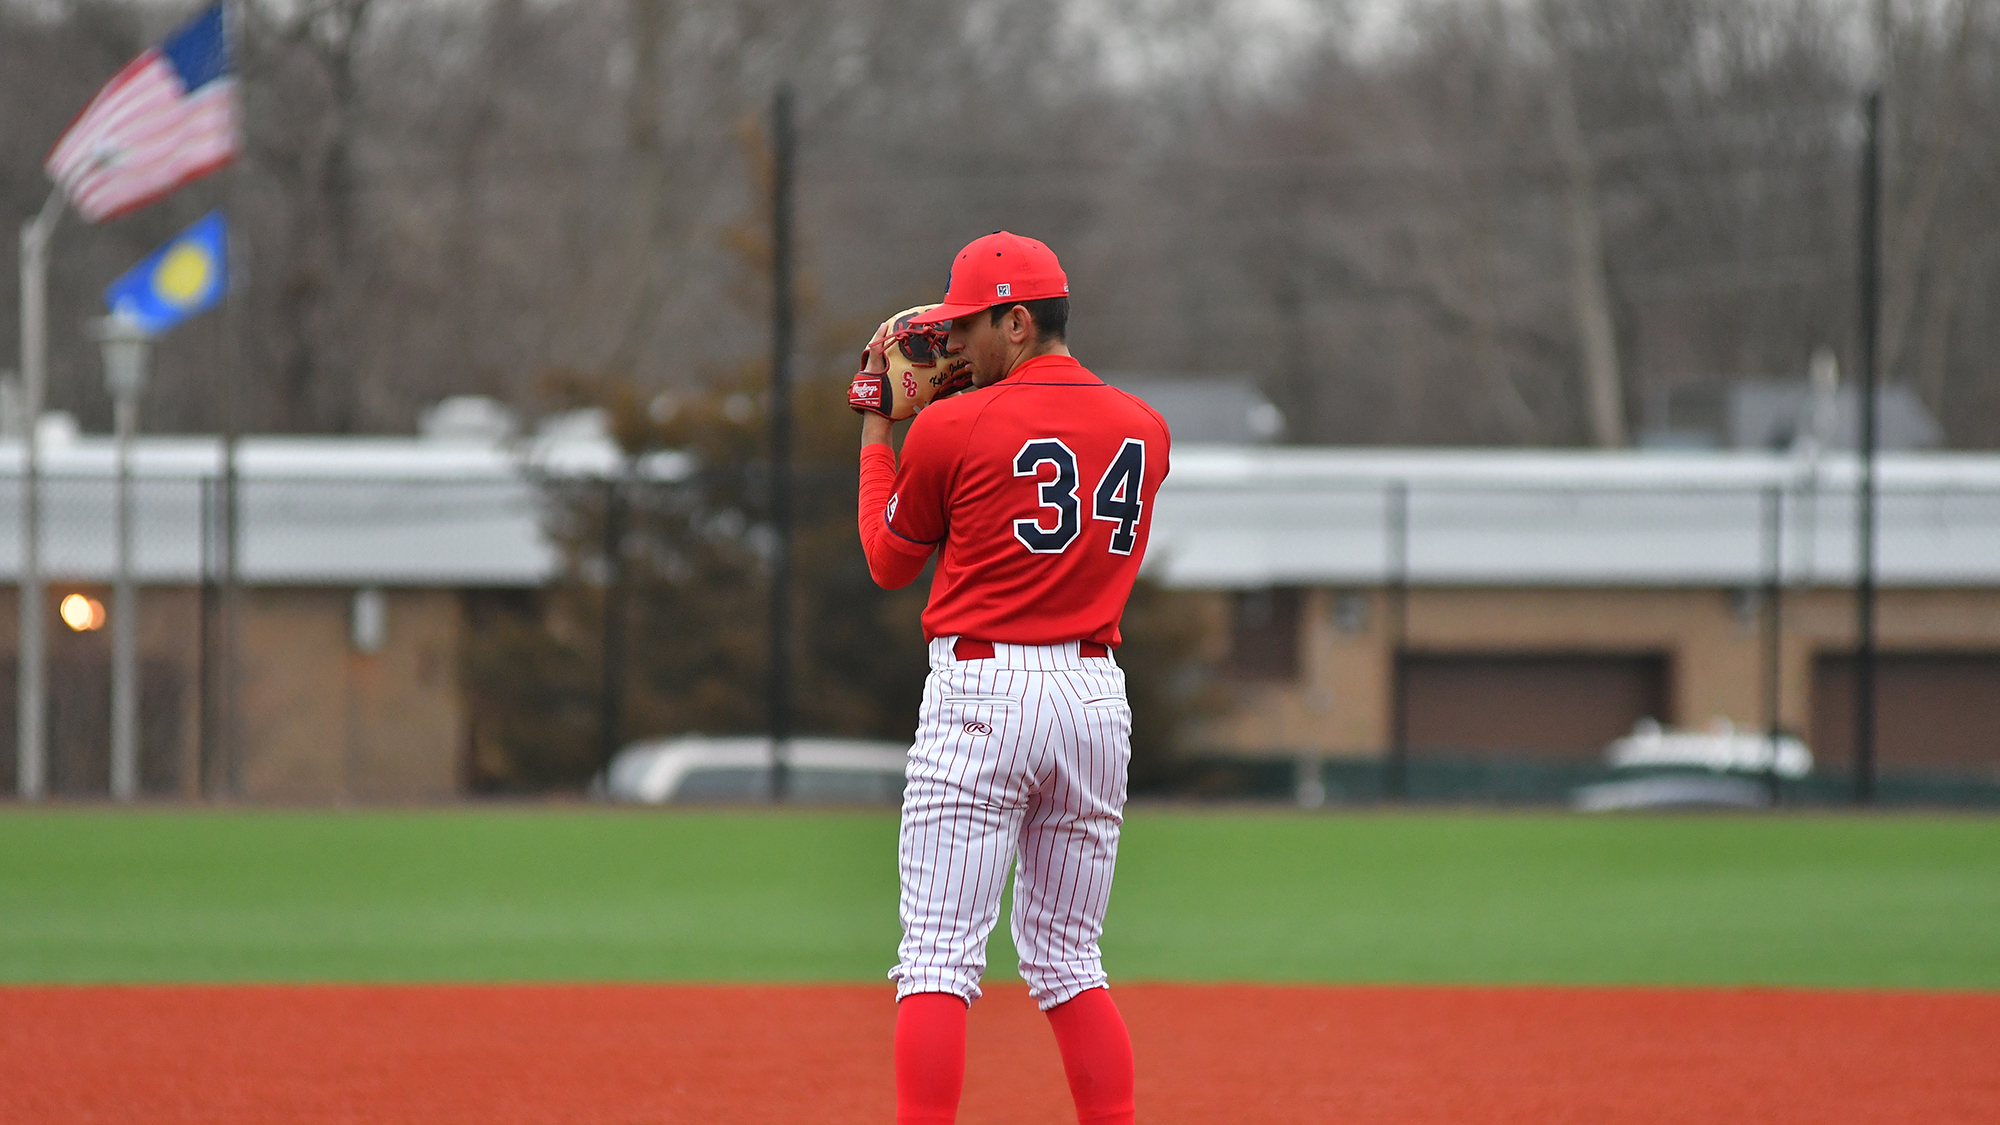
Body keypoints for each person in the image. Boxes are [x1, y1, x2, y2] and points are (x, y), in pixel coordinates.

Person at [851, 231, 1172, 1125]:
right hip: (1094, 697)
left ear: (1018, 321)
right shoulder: (1146, 427)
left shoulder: (951, 426)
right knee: (1071, 960)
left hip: (984, 693)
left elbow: (886, 558)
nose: (951, 343)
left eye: (967, 326)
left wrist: (879, 427)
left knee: (938, 957)